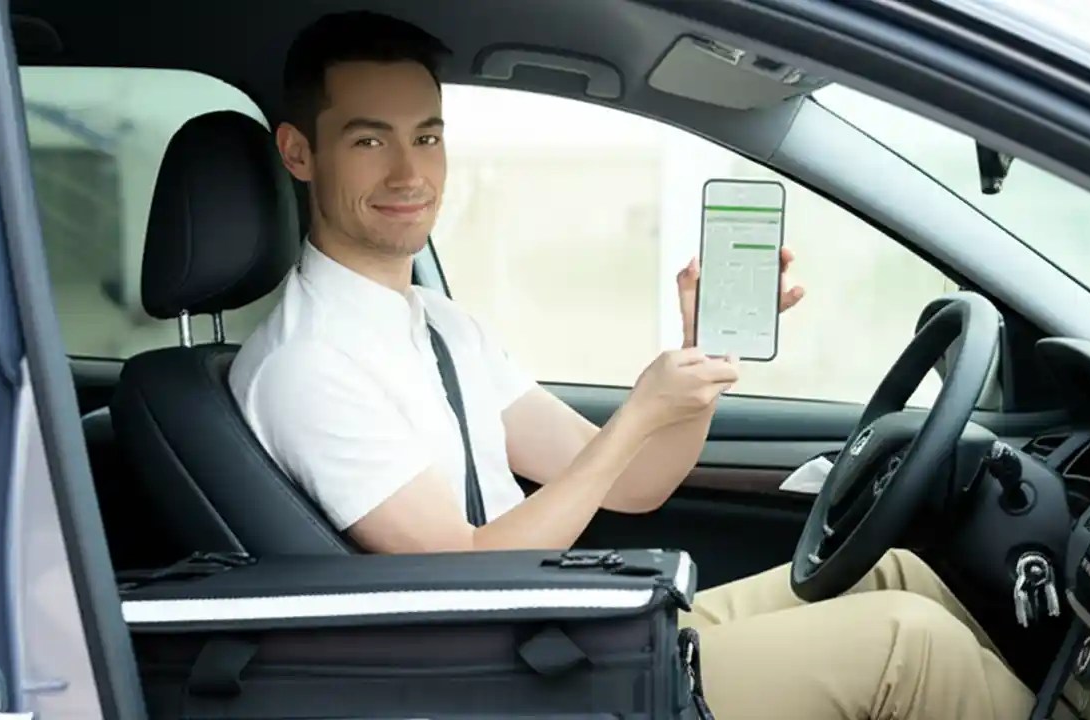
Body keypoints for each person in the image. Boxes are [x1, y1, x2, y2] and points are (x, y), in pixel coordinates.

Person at [228, 10, 1036, 719]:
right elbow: (469, 580)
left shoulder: (438, 324)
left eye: (427, 136)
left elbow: (631, 485)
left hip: (559, 637)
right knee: (912, 647)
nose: (410, 173)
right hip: (508, 685)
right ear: (299, 154)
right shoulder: (306, 366)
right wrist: (639, 414)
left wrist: (698, 362)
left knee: (896, 577)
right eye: (369, 139)